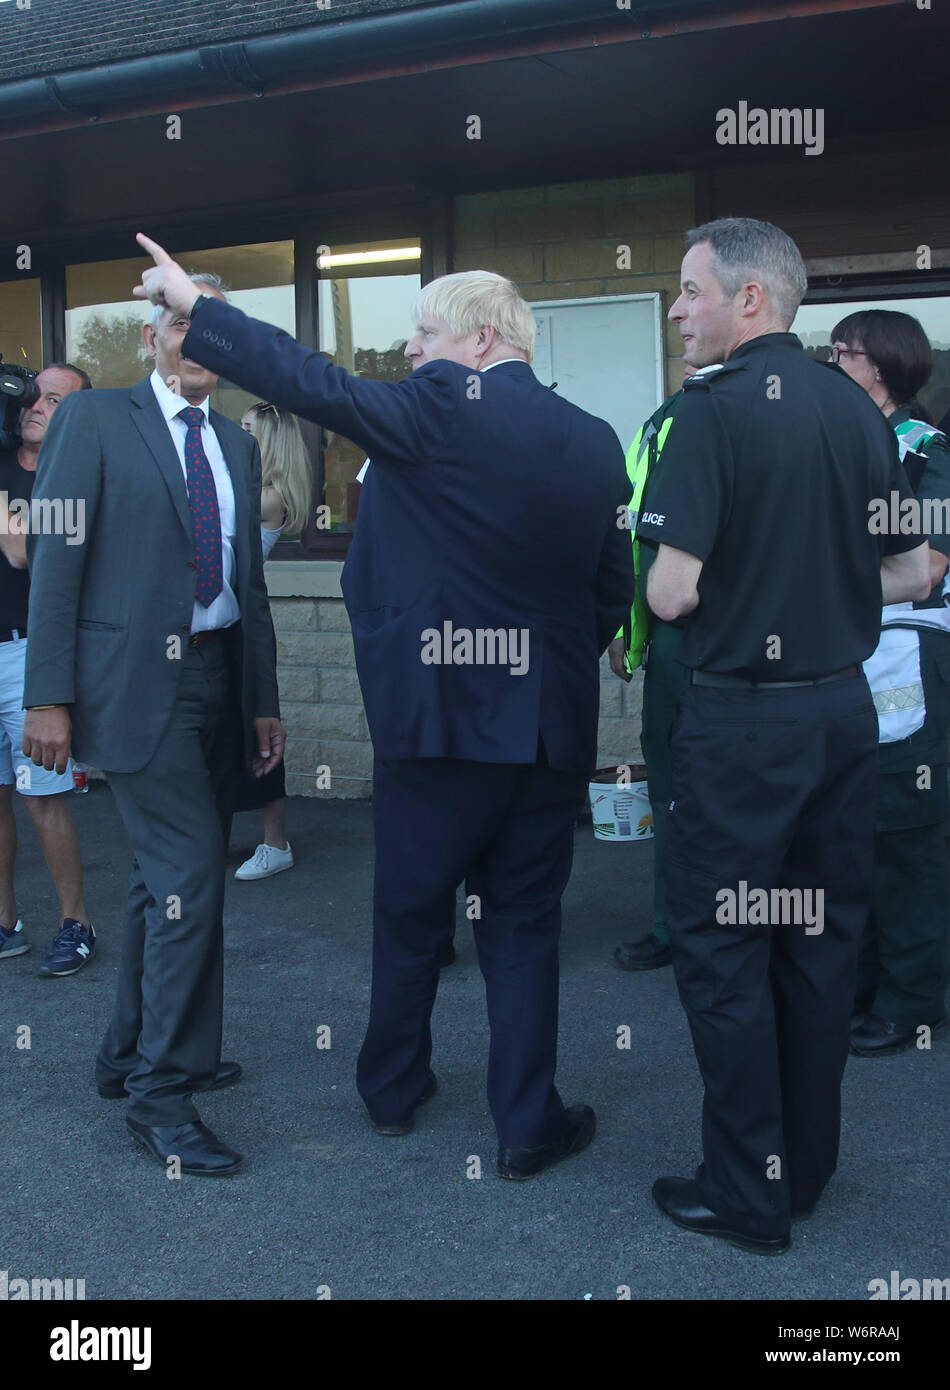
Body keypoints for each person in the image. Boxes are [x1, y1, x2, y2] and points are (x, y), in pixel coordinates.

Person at [133, 234, 635, 1179]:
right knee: (525, 927)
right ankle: (527, 1123)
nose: (409, 349)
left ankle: (393, 1091)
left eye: (425, 330)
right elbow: (612, 587)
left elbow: (313, 381)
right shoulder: (597, 437)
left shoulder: (442, 409)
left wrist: (195, 309)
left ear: (482, 342)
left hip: (437, 727)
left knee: (411, 915)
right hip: (548, 731)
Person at [636, 218, 932, 1254]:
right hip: (840, 719)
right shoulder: (857, 414)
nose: (676, 308)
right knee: (815, 944)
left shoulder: (707, 413)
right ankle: (799, 1171)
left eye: (687, 290)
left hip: (741, 728)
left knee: (719, 952)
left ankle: (745, 1195)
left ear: (747, 300)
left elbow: (669, 594)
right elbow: (912, 570)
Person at [22, 273, 285, 1178]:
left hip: (219, 680)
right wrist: (45, 696)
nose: (196, 340)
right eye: (182, 323)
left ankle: (126, 1053)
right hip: (134, 689)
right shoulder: (96, 423)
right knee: (188, 876)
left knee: (158, 884)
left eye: (212, 326)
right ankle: (162, 1096)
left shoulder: (238, 448)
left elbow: (247, 586)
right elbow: (55, 561)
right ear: (150, 337)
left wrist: (263, 700)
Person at [828, 309, 950, 1055]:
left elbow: (929, 563)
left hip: (910, 659)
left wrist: (815, 588)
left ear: (883, 365)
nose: (830, 361)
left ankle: (914, 1001)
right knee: (855, 833)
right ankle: (868, 983)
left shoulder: (930, 450)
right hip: (844, 657)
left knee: (906, 837)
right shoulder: (841, 442)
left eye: (843, 351)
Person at [0, 363, 96, 975]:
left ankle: (76, 922)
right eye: (34, 394)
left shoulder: (75, 478)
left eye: (55, 400)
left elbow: (23, 552)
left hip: (29, 654)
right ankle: (5, 923)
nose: (37, 405)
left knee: (43, 798)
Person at [610, 362, 703, 973]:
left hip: (733, 646)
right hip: (671, 648)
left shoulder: (764, 415)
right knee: (672, 796)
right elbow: (635, 534)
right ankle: (675, 928)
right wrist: (626, 629)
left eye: (695, 296)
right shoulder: (667, 417)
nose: (680, 314)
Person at [232, 401, 311, 881]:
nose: (236, 434)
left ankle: (275, 843)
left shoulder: (268, 496)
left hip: (244, 623)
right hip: (227, 617)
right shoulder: (252, 487)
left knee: (260, 731)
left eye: (245, 428)